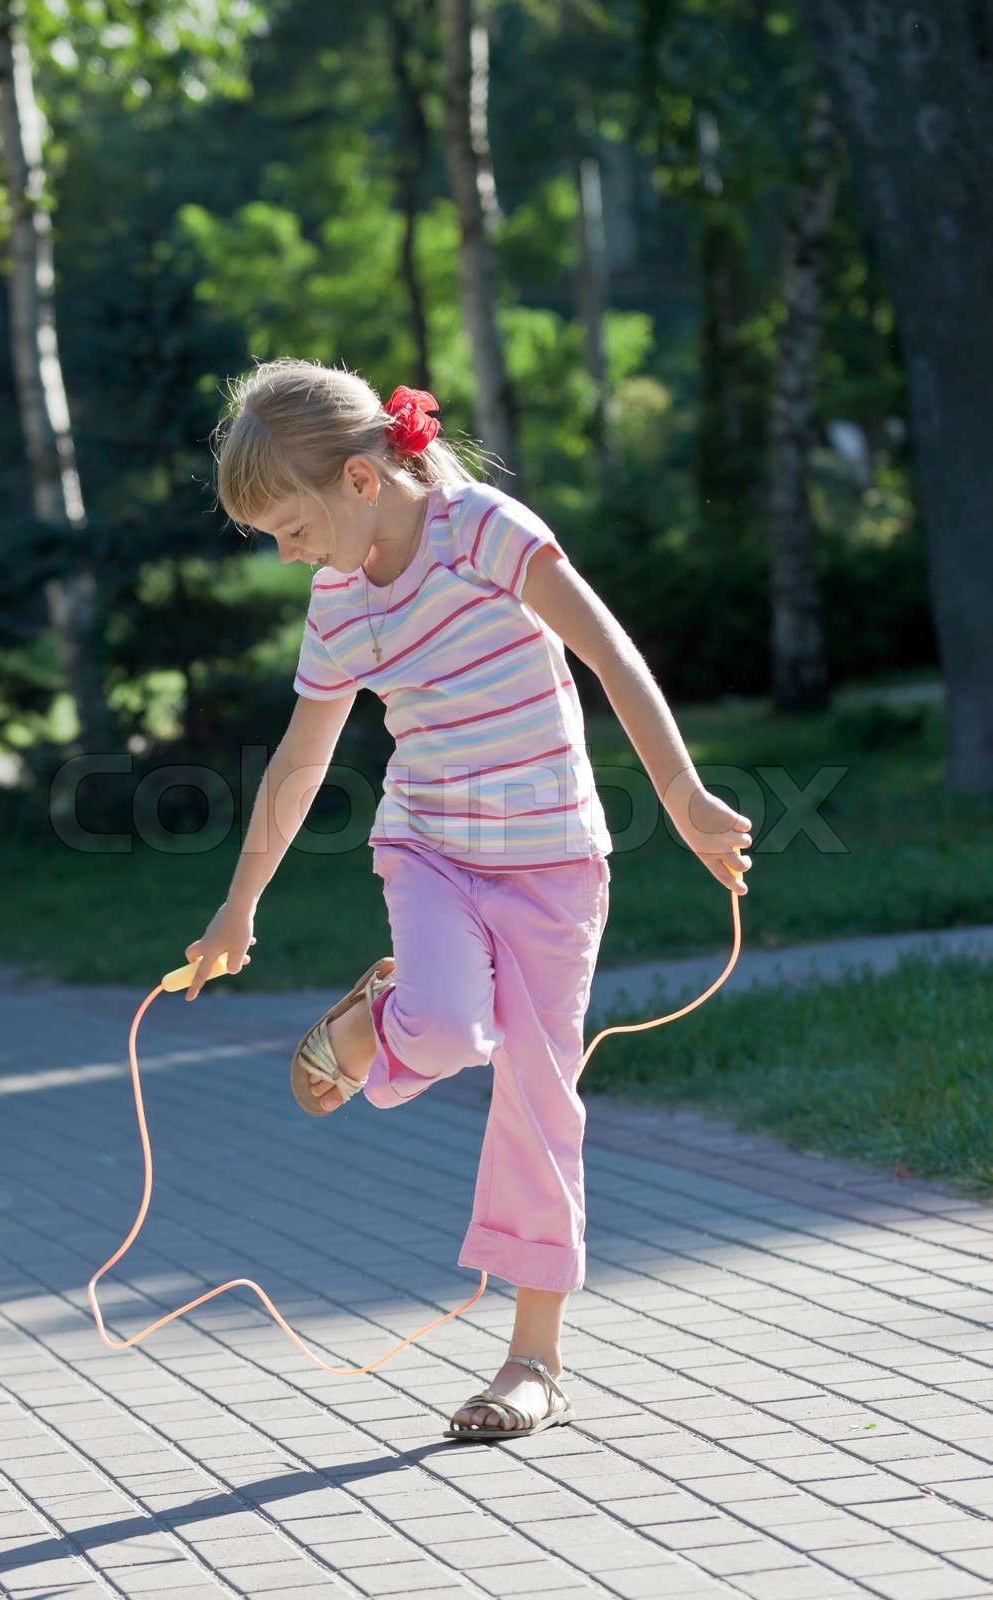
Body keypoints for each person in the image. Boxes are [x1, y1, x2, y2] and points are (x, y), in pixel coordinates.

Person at [185, 357, 751, 1440]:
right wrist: (237, 905)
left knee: (542, 1095)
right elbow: (302, 760)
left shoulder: (480, 529)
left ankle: (530, 1362)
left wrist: (678, 795)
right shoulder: (340, 599)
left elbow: (608, 652)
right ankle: (385, 1017)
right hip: (431, 849)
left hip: (554, 866)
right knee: (444, 1026)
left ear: (359, 480)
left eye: (289, 527)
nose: (285, 553)